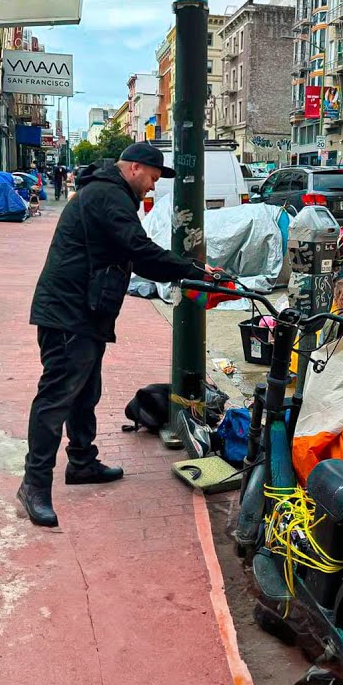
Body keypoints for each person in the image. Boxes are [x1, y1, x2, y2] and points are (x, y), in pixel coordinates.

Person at [21, 143, 213, 527]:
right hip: (69, 313)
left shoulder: (108, 191)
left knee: (85, 391)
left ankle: (82, 462)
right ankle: (34, 483)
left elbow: (129, 252)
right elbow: (138, 250)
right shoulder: (109, 195)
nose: (152, 189)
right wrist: (193, 271)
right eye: (153, 180)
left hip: (84, 310)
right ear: (136, 169)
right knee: (56, 398)